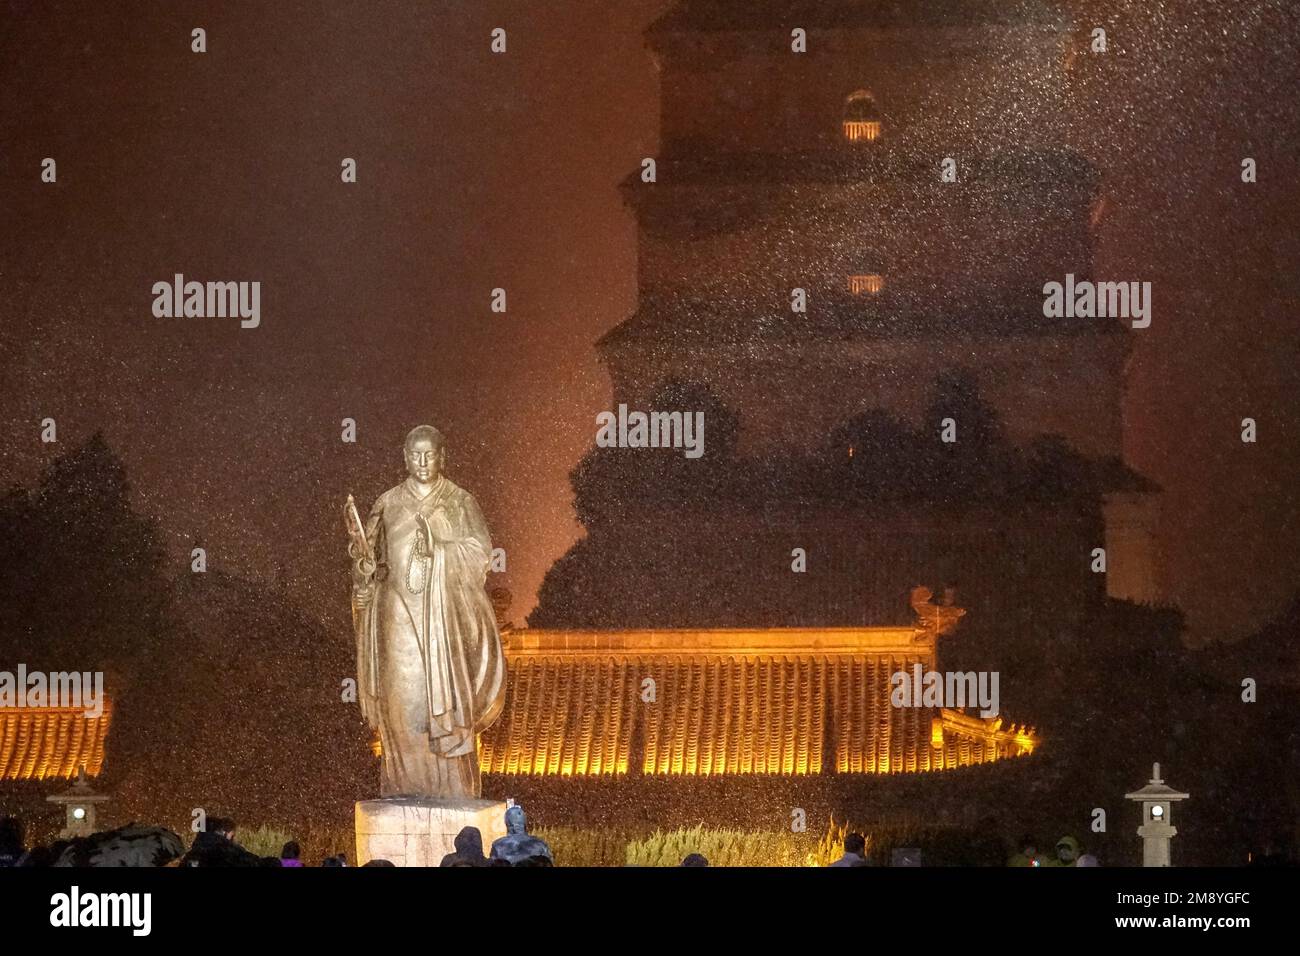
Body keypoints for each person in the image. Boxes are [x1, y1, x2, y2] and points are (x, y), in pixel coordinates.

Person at [179, 817, 271, 867]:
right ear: (224, 832)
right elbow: (253, 862)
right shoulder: (226, 851)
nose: (233, 839)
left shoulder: (191, 855)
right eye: (232, 835)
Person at [489, 805, 553, 866]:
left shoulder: (498, 845)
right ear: (524, 822)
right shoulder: (540, 844)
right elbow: (549, 863)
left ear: (507, 823)